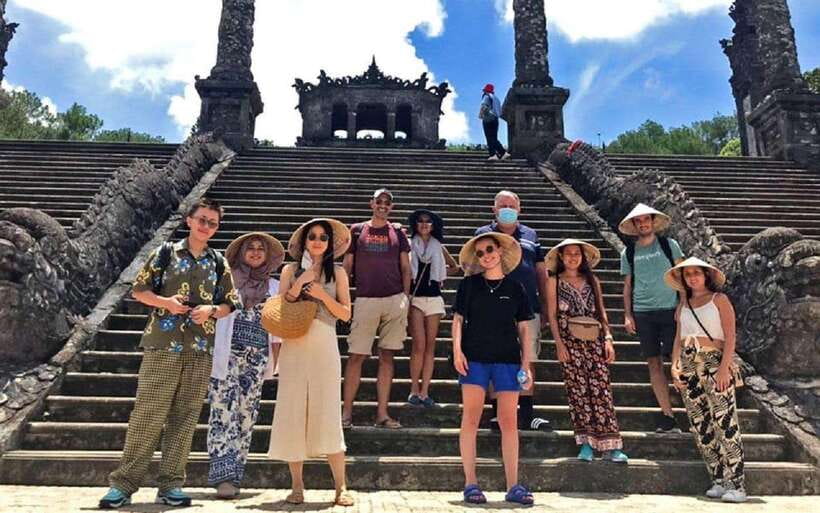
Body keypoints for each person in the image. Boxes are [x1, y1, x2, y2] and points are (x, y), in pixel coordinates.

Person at [99, 198, 241, 509]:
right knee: (148, 414)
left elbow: (232, 302)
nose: (206, 226)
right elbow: (139, 290)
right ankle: (123, 484)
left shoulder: (218, 262)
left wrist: (212, 310)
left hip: (200, 346)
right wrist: (167, 303)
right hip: (163, 343)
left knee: (185, 416)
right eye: (202, 219)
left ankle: (171, 484)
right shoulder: (164, 253)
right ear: (190, 220)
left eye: (212, 223)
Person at [267, 218, 354, 507]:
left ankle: (340, 486)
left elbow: (345, 314)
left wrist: (319, 295)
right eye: (312, 236)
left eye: (323, 237)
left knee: (327, 409)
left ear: (330, 243)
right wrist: (299, 285)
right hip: (294, 343)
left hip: (324, 341)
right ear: (304, 240)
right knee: (293, 410)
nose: (317, 241)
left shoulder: (338, 273)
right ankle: (296, 485)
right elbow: (280, 307)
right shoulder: (290, 270)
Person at [453, 233, 534, 506]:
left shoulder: (516, 288)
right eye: (480, 252)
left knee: (509, 422)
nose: (485, 255)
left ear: (499, 251)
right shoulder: (468, 285)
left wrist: (525, 363)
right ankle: (470, 483)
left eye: (489, 249)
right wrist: (456, 350)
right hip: (474, 358)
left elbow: (524, 327)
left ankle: (513, 485)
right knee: (471, 419)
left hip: (508, 360)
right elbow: (457, 320)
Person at [207, 232, 285, 499]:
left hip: (257, 358)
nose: (254, 252)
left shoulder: (274, 287)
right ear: (240, 253)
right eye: (249, 248)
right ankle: (222, 477)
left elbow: (277, 329)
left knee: (246, 416)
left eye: (260, 249)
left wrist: (278, 363)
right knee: (221, 414)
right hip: (226, 354)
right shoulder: (225, 281)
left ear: (267, 256)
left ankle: (236, 474)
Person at [666, 257, 747, 503]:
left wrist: (724, 368)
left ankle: (738, 484)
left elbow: (731, 336)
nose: (692, 277)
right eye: (687, 273)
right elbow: (679, 337)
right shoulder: (683, 305)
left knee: (725, 421)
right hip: (689, 363)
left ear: (706, 275)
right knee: (700, 424)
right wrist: (674, 364)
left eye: (696, 273)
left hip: (714, 360)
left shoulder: (719, 300)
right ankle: (719, 478)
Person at [475, 190, 551, 432]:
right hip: (492, 309)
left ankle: (526, 413)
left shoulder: (531, 235)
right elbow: (473, 270)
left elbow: (541, 272)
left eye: (511, 205)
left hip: (527, 306)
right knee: (495, 358)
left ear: (520, 209)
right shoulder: (483, 234)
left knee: (528, 358)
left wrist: (547, 307)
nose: (507, 208)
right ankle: (498, 414)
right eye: (502, 205)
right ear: (494, 209)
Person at [545, 239, 627, 463]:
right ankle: (586, 443)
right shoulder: (554, 281)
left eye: (577, 253)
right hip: (570, 343)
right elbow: (552, 315)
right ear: (561, 257)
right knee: (578, 393)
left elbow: (602, 311)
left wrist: (608, 338)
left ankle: (611, 445)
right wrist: (559, 344)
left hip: (595, 341)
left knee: (602, 391)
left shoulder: (593, 280)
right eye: (568, 253)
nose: (573, 257)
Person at [342, 188, 411, 429]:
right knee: (356, 355)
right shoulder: (357, 230)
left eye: (387, 203)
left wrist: (405, 296)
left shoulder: (397, 232)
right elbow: (347, 264)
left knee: (387, 356)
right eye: (379, 201)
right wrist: (344, 296)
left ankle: (382, 414)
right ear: (371, 203)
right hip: (366, 298)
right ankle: (346, 413)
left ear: (391, 207)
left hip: (394, 298)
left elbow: (405, 266)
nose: (383, 206)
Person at [619, 203, 685, 433]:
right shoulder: (628, 252)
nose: (643, 224)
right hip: (643, 311)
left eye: (646, 220)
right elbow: (627, 286)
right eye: (639, 221)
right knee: (653, 363)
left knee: (676, 359)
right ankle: (667, 415)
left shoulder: (669, 245)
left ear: (652, 221)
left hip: (670, 308)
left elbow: (682, 274)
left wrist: (682, 305)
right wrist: (628, 315)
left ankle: (693, 410)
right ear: (635, 225)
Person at [406, 209, 459, 408]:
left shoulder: (438, 246)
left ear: (433, 225)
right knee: (419, 344)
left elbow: (455, 266)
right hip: (416, 298)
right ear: (416, 224)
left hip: (435, 297)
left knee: (430, 346)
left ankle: (424, 391)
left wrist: (440, 274)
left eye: (428, 221)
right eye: (420, 221)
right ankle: (413, 389)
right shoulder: (410, 245)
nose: (424, 224)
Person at [479, 83, 510, 161]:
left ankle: (493, 154)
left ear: (486, 90)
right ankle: (503, 153)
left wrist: (481, 115)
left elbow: (484, 106)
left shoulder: (486, 96)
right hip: (495, 119)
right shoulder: (496, 98)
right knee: (494, 137)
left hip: (488, 118)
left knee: (489, 137)